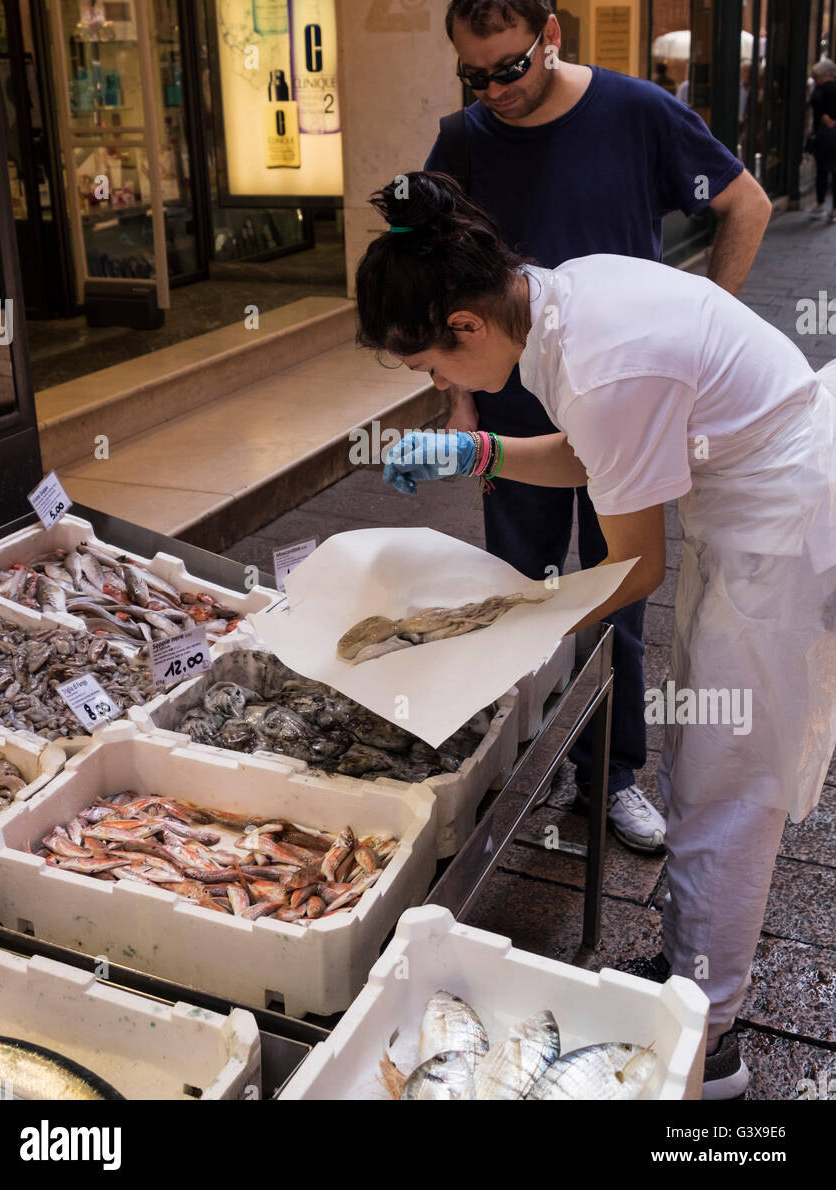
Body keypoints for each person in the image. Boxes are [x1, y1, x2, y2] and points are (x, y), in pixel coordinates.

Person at [356, 170, 836, 1100]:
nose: (441, 388)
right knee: (707, 757)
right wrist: (481, 449)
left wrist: (488, 631)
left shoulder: (600, 359)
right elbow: (604, 453)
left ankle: (714, 1039)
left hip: (784, 524)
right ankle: (693, 971)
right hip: (746, 507)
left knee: (732, 781)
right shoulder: (555, 298)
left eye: (432, 371)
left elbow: (633, 569)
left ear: (465, 325)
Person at [425, 0, 771, 855]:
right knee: (517, 589)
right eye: (474, 74)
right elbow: (437, 286)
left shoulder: (635, 111)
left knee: (616, 592)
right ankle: (503, 761)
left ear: (554, 35)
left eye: (509, 67)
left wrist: (708, 327)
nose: (493, 90)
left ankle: (607, 777)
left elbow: (746, 203)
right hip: (514, 401)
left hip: (625, 402)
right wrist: (464, 410)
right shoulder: (464, 141)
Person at [807, 58, 836, 220]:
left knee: (822, 170)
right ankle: (834, 209)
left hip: (825, 134)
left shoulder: (820, 91)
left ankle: (820, 204)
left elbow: (819, 110)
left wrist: (827, 120)